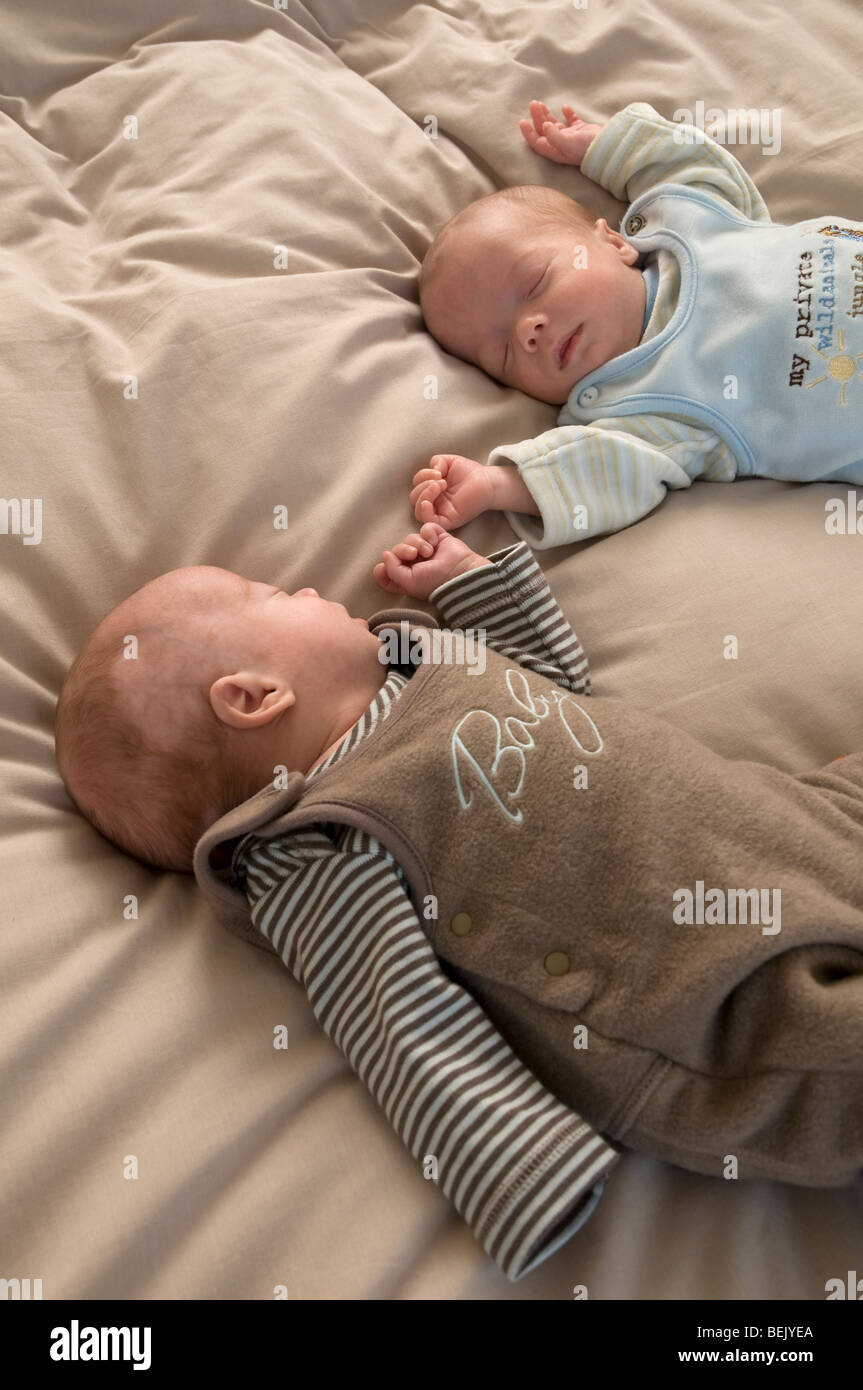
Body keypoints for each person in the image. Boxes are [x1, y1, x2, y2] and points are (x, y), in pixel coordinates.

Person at [413, 100, 863, 547]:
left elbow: (689, 160)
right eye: (504, 353)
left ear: (613, 241)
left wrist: (603, 146)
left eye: (536, 283)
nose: (528, 329)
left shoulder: (687, 222)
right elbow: (606, 471)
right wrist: (497, 485)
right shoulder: (636, 409)